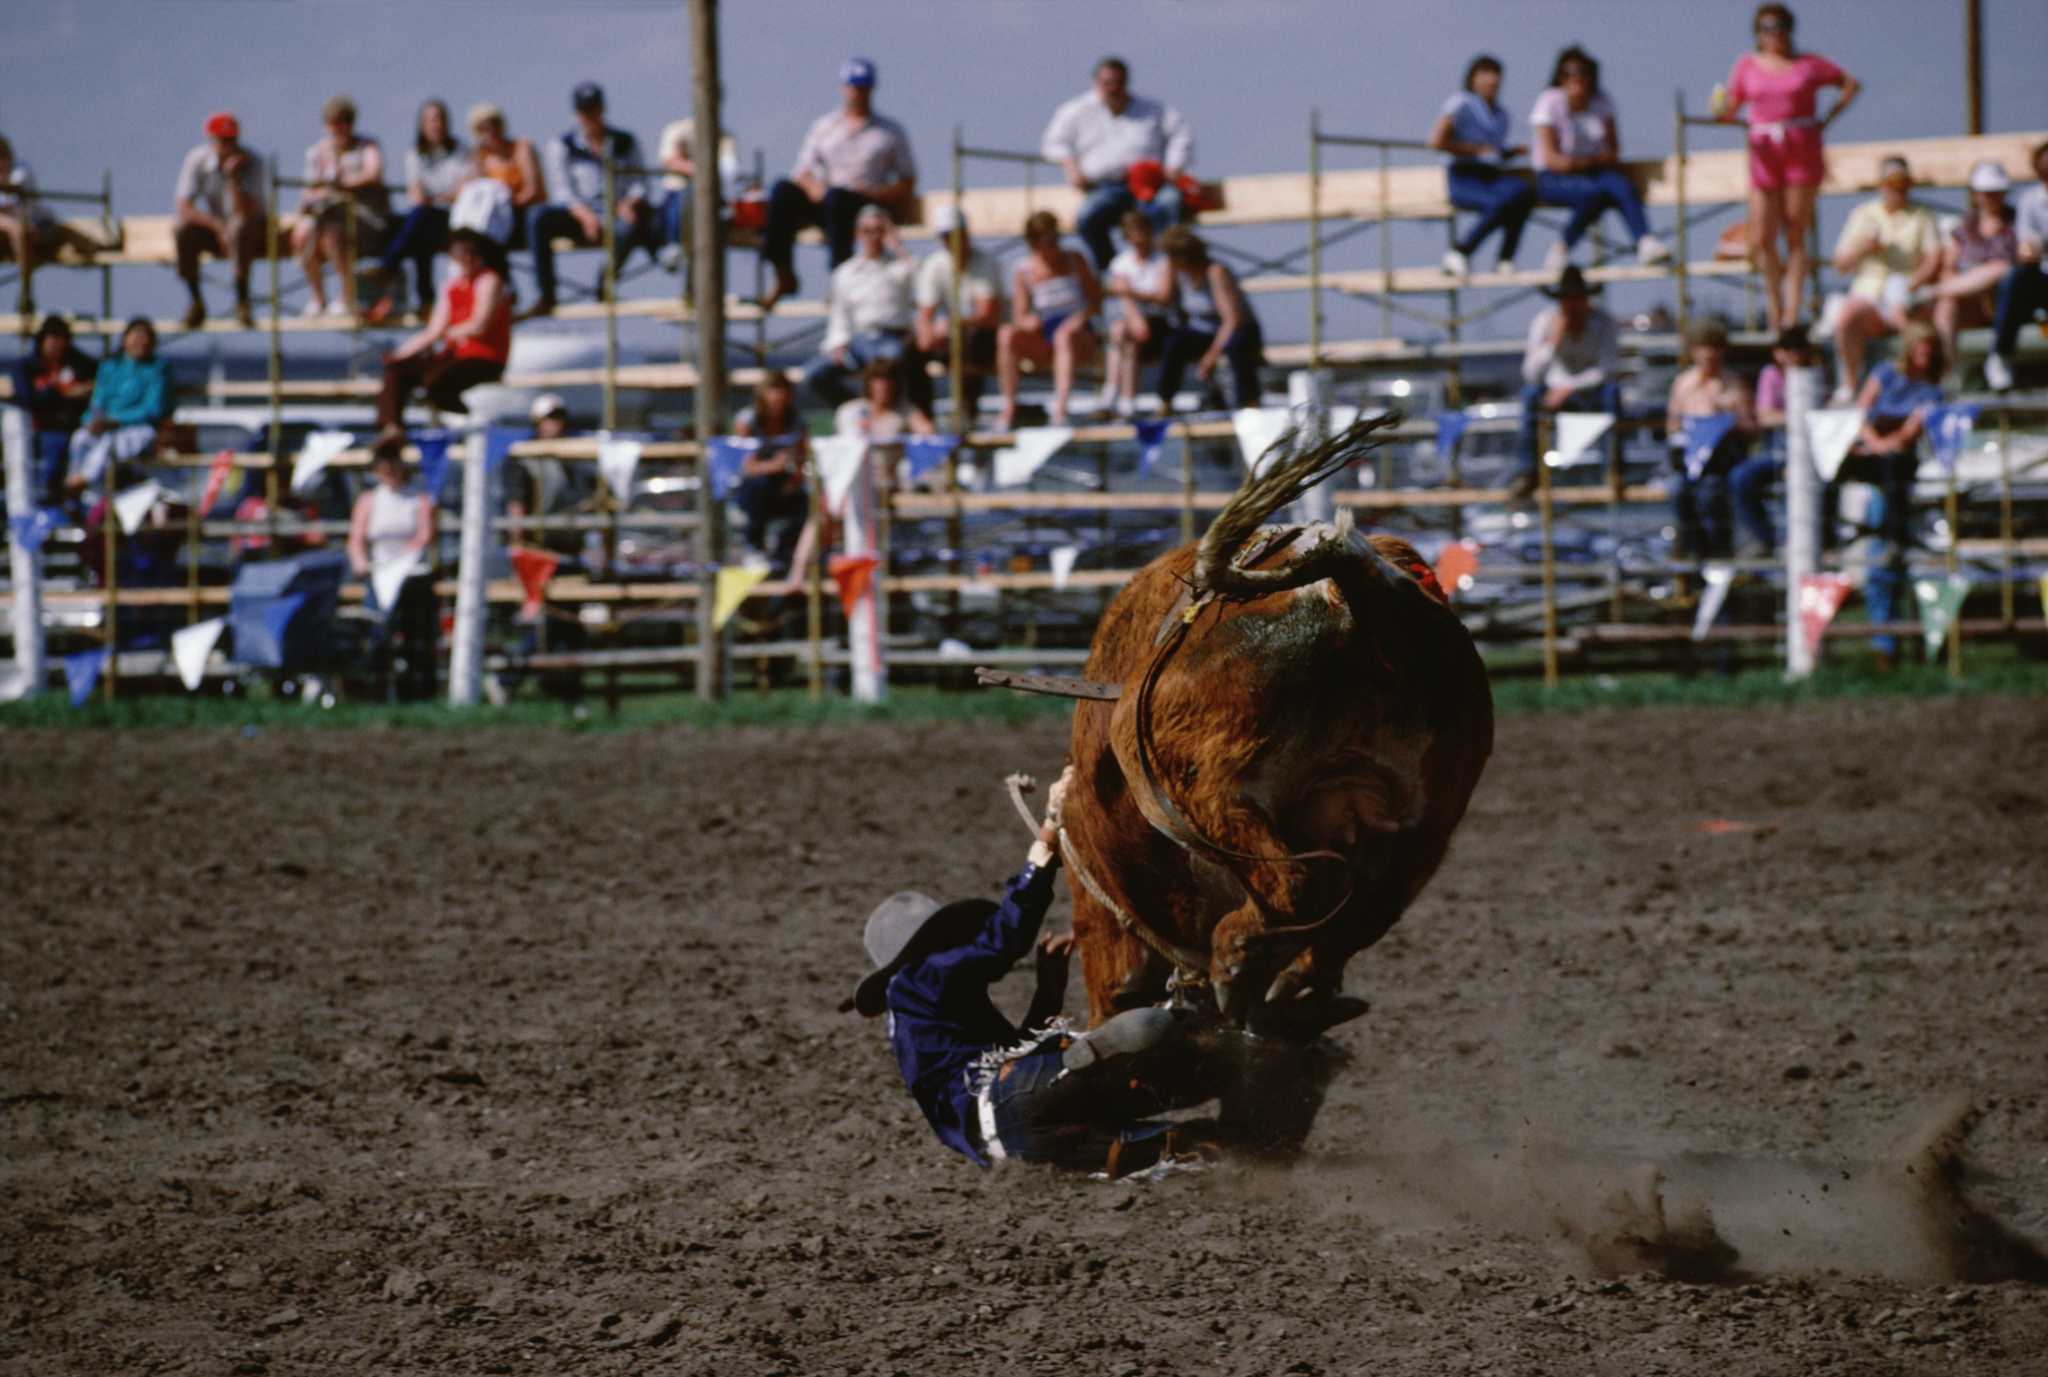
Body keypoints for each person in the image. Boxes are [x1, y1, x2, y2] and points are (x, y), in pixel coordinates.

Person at [849, 767, 1234, 1175]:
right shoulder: (918, 980)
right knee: (1152, 1047)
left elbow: (1011, 1054)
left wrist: (1048, 992)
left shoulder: (927, 1024)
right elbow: (1005, 938)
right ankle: (1126, 1056)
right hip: (1009, 1100)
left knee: (1190, 1152)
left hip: (1012, 1143)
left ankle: (1124, 1098)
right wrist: (1047, 836)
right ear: (930, 943)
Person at [1713, 4, 1858, 332]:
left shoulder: (1807, 64)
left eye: (1779, 27)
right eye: (1766, 28)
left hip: (1801, 148)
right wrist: (1721, 108)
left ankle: (1792, 311)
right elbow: (1731, 108)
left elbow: (1849, 83)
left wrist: (1826, 120)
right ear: (1757, 33)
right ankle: (1775, 307)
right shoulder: (1747, 65)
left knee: (1795, 232)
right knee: (1763, 236)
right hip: (1765, 151)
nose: (1773, 33)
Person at [759, 58, 918, 309]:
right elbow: (802, 170)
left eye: (863, 87)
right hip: (827, 199)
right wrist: (815, 189)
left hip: (863, 203)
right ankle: (782, 272)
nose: (858, 93)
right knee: (781, 191)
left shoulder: (890, 132)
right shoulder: (824, 126)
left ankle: (838, 281)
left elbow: (907, 181)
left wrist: (875, 193)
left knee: (839, 199)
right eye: (853, 86)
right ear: (843, 88)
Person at [1829, 324, 1944, 665]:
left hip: (1896, 468)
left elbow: (1911, 432)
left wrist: (1889, 444)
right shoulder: (1885, 374)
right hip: (1872, 460)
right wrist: (1875, 443)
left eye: (1930, 349)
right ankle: (1886, 643)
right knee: (1881, 559)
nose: (1926, 355)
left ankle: (1890, 644)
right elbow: (1861, 411)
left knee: (1886, 560)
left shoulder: (1931, 391)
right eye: (1921, 348)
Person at [1041, 56, 1195, 272]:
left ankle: (1166, 271)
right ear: (1097, 83)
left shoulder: (1152, 109)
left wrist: (1174, 166)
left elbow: (1180, 134)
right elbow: (1054, 143)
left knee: (1169, 204)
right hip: (1105, 187)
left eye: (1118, 83)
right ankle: (1113, 271)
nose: (1113, 88)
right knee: (1087, 218)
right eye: (1107, 83)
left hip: (1149, 186)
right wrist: (1071, 167)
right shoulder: (1076, 111)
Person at [1529, 47, 1669, 271]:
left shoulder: (1601, 101)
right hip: (1552, 178)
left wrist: (1588, 162)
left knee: (1619, 185)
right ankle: (1561, 248)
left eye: (1581, 72)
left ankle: (1645, 240)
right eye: (1568, 73)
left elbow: (1613, 151)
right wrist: (1591, 161)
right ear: (1560, 76)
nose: (1575, 78)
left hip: (1591, 173)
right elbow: (1553, 160)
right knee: (1594, 193)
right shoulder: (1549, 101)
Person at [527, 83, 657, 317]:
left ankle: (605, 279)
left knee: (631, 226)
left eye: (593, 109)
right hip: (580, 215)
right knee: (538, 217)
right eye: (584, 111)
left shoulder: (626, 142)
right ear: (576, 114)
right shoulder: (562, 145)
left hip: (618, 214)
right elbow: (562, 191)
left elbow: (640, 183)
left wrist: (630, 202)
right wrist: (585, 216)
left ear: (603, 109)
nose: (589, 116)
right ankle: (546, 294)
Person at [375, 228, 511, 438]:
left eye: (471, 252)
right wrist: (401, 354)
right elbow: (433, 331)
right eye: (460, 253)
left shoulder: (489, 280)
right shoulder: (451, 286)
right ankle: (392, 429)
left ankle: (466, 422)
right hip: (454, 356)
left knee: (436, 380)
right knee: (397, 371)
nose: (466, 258)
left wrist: (449, 332)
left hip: (485, 357)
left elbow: (479, 325)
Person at [1827, 155, 1940, 401]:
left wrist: (1911, 287)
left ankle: (1923, 384)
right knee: (1845, 317)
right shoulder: (1862, 214)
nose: (1898, 189)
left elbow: (1933, 260)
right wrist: (1863, 249)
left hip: (1907, 293)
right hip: (1869, 296)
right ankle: (1850, 384)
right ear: (1882, 185)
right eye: (1892, 183)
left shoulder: (1922, 216)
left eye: (1902, 183)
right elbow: (1840, 265)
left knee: (1905, 317)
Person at [1509, 265, 1620, 499]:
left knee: (1612, 395)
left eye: (1577, 299)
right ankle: (1527, 471)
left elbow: (1606, 369)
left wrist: (1570, 388)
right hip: (1552, 392)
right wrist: (1552, 344)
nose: (1572, 306)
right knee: (1530, 396)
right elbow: (1530, 373)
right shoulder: (1545, 322)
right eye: (1567, 300)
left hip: (1590, 393)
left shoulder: (1604, 322)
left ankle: (1614, 467)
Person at [1428, 55, 1536, 278]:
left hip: (1489, 174)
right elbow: (1437, 141)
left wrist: (1510, 152)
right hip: (1463, 176)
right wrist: (1475, 150)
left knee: (1523, 193)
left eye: (1495, 75)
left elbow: (1492, 152)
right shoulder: (1460, 104)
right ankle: (1461, 250)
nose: (1492, 81)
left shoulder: (1500, 114)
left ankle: (1505, 258)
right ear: (1473, 78)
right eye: (1485, 74)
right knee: (1501, 202)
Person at [347, 440, 438, 701]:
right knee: (377, 634)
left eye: (392, 462)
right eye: (382, 464)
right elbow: (356, 538)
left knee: (416, 636)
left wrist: (404, 559)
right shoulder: (368, 500)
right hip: (378, 574)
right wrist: (361, 562)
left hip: (411, 573)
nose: (388, 468)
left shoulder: (418, 498)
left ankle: (416, 693)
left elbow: (425, 535)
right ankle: (373, 691)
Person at [804, 204, 916, 410]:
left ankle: (888, 415)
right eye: (867, 231)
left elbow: (918, 281)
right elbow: (840, 315)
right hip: (856, 341)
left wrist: (897, 246)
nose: (873, 236)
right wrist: (837, 343)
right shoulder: (845, 272)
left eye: (879, 231)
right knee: (814, 374)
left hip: (890, 338)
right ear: (858, 234)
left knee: (889, 370)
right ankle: (855, 411)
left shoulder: (900, 268)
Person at [367, 99, 468, 325]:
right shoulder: (415, 153)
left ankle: (389, 269)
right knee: (415, 228)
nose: (436, 124)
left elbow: (461, 192)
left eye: (439, 119)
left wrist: (437, 197)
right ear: (422, 124)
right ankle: (424, 298)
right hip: (427, 217)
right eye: (431, 120)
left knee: (419, 220)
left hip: (453, 216)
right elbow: (416, 193)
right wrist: (437, 196)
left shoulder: (460, 150)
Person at [1729, 323, 1827, 556]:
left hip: (1812, 451)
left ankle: (1819, 541)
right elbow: (1765, 416)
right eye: (1788, 350)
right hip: (1777, 449)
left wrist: (1790, 418)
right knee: (1740, 478)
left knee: (1808, 483)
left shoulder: (1817, 373)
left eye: (1798, 349)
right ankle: (1764, 539)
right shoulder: (1770, 375)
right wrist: (1796, 416)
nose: (1793, 356)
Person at [997, 211, 1101, 431]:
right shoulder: (1023, 270)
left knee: (1064, 335)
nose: (1052, 248)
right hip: (1046, 334)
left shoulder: (1075, 259)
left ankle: (1060, 409)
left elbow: (1095, 303)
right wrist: (1027, 323)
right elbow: (1019, 315)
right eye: (1046, 243)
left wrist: (1078, 319)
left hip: (1079, 335)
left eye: (1055, 241)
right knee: (1006, 334)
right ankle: (1009, 407)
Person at [1663, 317, 1755, 559]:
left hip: (1723, 460)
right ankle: (1690, 551)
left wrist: (1728, 420)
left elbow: (1750, 427)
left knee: (1711, 493)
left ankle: (1718, 552)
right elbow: (1672, 424)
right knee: (1678, 490)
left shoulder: (1733, 385)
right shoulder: (1683, 384)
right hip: (1688, 459)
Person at [294, 95, 391, 318]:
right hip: (324, 217)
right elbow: (308, 190)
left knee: (332, 233)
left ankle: (346, 296)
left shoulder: (367, 146)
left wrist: (344, 184)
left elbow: (373, 173)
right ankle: (318, 298)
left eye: (344, 122)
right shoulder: (317, 152)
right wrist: (325, 192)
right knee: (302, 233)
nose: (339, 128)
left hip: (363, 218)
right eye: (334, 123)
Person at [1154, 225, 1264, 416]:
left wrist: (1210, 358)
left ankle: (1249, 401)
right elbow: (1165, 300)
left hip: (1234, 329)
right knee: (1173, 343)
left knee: (1237, 345)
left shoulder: (1216, 272)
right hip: (1202, 330)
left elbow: (1232, 320)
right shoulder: (1179, 275)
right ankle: (1166, 400)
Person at [172, 112, 267, 329]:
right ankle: (195, 301)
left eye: (232, 140)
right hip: (217, 226)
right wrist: (217, 226)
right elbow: (184, 207)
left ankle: (242, 300)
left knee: (239, 228)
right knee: (182, 231)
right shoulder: (197, 159)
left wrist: (234, 178)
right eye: (223, 140)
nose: (228, 146)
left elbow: (246, 212)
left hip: (250, 230)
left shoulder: (253, 162)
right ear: (211, 140)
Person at [1926, 160, 2017, 379]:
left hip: (2003, 303)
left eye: (1996, 191)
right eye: (1986, 192)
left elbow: (2010, 267)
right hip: (1969, 303)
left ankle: (1931, 293)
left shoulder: (2016, 222)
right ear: (1976, 194)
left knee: (2000, 269)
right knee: (1947, 306)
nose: (1991, 197)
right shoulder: (1964, 228)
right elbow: (1949, 267)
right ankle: (1947, 374)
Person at [911, 204, 1003, 420]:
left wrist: (953, 325)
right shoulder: (934, 265)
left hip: (980, 338)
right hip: (953, 336)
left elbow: (988, 315)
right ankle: (923, 416)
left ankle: (966, 411)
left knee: (970, 342)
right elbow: (924, 315)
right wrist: (928, 335)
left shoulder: (986, 263)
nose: (953, 241)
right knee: (911, 351)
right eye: (948, 236)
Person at [66, 317, 168, 494]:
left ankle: (83, 482)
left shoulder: (157, 369)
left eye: (145, 337)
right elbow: (98, 401)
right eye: (135, 336)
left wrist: (115, 421)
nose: (140, 342)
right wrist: (92, 421)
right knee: (80, 438)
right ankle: (77, 488)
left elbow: (153, 410)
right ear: (125, 339)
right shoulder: (110, 366)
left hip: (139, 429)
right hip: (105, 426)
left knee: (109, 445)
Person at [1984, 140, 2048, 393]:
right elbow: (2027, 250)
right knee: (2016, 278)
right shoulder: (2030, 200)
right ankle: (2000, 356)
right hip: (2042, 281)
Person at [10, 316, 96, 504]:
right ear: (42, 340)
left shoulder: (80, 365)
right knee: (54, 447)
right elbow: (28, 397)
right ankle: (48, 501)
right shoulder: (26, 366)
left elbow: (96, 380)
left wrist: (79, 390)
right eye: (51, 337)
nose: (56, 343)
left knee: (83, 445)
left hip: (73, 427)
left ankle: (71, 504)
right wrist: (63, 392)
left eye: (61, 338)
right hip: (40, 429)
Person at [730, 373, 811, 572]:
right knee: (760, 487)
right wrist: (774, 465)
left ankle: (784, 550)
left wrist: (792, 481)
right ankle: (754, 548)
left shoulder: (796, 422)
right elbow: (744, 466)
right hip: (751, 487)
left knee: (808, 503)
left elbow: (801, 460)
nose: (777, 403)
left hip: (782, 484)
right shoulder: (747, 420)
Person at [1102, 210, 1175, 416]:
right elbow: (1126, 298)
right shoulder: (1121, 262)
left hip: (1161, 322)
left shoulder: (1163, 260)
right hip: (1134, 324)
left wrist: (1131, 292)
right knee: (1123, 331)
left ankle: (1115, 394)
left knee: (1122, 331)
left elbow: (1164, 296)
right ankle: (1124, 399)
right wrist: (1137, 316)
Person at [653, 115, 738, 272]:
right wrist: (703, 171)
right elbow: (671, 160)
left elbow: (729, 169)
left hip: (713, 202)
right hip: (676, 201)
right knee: (684, 196)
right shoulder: (678, 129)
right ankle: (674, 245)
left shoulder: (725, 137)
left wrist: (695, 168)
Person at [0, 135, 65, 316]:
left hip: (39, 224)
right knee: (16, 229)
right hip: (11, 227)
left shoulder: (22, 171)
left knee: (20, 232)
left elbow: (14, 192)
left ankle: (26, 292)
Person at [466, 103, 547, 233]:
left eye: (493, 125)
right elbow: (476, 191)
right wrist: (476, 157)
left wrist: (507, 207)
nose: (490, 131)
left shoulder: (521, 148)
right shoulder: (482, 158)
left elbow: (533, 191)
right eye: (482, 129)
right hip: (497, 218)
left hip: (524, 211)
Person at [836, 358, 935, 445]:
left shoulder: (906, 410)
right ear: (868, 383)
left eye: (888, 379)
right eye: (878, 379)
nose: (884, 386)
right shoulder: (850, 411)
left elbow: (928, 433)